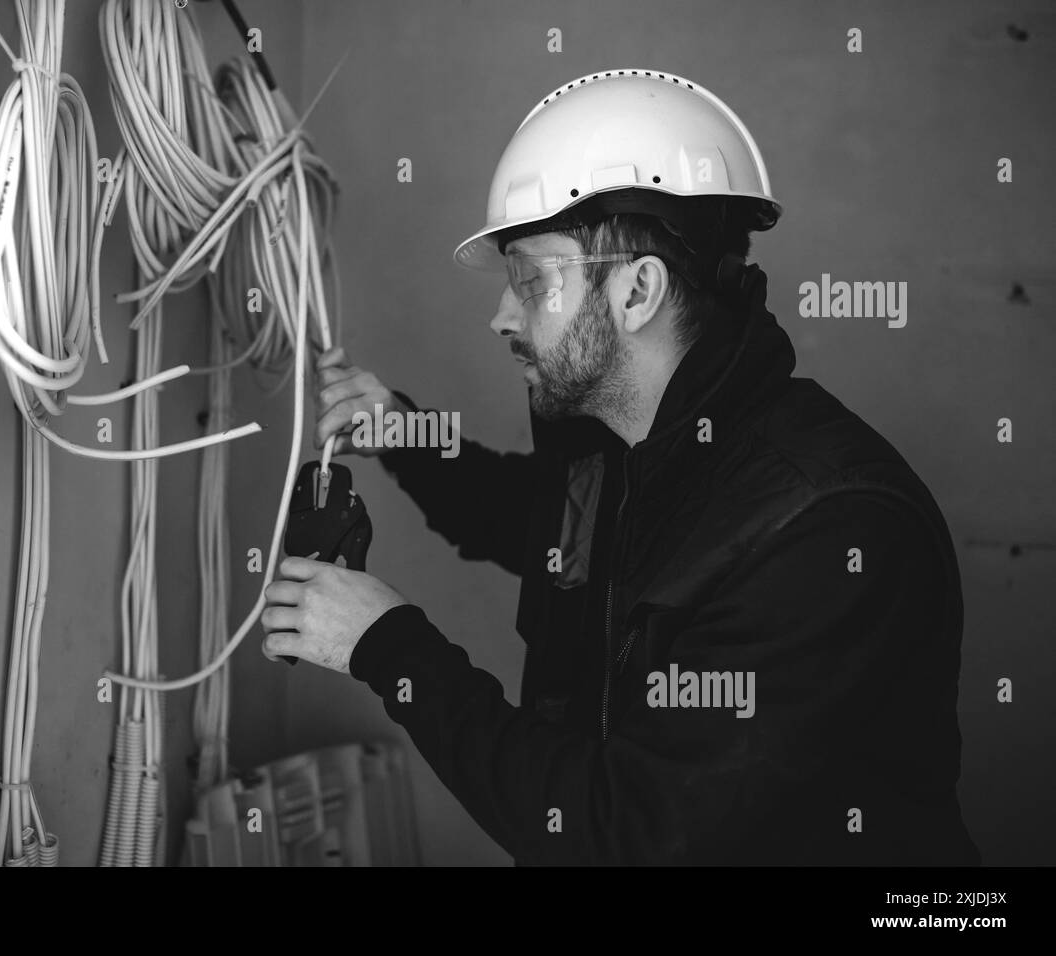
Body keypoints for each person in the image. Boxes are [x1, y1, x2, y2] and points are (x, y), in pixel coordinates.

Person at [260, 70, 979, 865]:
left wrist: (386, 647)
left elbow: (625, 833)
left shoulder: (827, 530)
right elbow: (548, 528)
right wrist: (404, 432)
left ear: (637, 291)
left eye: (531, 280)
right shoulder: (630, 445)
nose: (501, 314)